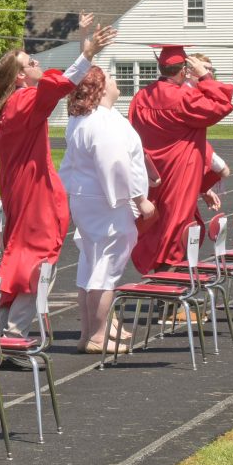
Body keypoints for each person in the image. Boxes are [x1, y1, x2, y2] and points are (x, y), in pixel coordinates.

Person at [0, 20, 116, 318]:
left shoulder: (8, 105)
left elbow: (58, 84)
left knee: (22, 257)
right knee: (37, 261)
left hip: (21, 190)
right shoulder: (22, 102)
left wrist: (85, 45)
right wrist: (86, 53)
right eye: (30, 62)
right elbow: (59, 85)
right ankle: (15, 335)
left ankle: (2, 331)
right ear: (20, 76)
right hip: (33, 194)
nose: (37, 63)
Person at [59, 67, 154, 352]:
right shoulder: (101, 122)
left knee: (91, 266)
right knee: (105, 268)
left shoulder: (84, 119)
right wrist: (139, 199)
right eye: (110, 77)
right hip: (105, 202)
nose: (115, 81)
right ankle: (99, 336)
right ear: (100, 88)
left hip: (87, 199)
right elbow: (115, 165)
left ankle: (88, 333)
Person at [128, 45, 233, 272]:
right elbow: (221, 105)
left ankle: (166, 292)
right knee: (176, 230)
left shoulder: (140, 97)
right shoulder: (184, 98)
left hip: (152, 173)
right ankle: (171, 296)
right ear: (184, 69)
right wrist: (205, 76)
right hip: (179, 173)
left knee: (158, 227)